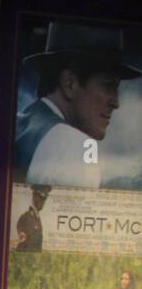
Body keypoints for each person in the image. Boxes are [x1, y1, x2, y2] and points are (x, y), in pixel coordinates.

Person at [14, 22, 139, 189]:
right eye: (108, 85)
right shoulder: (76, 146)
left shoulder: (15, 124)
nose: (115, 103)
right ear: (70, 83)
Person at [14, 185, 50, 252]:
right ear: (35, 198)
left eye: (44, 199)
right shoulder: (26, 217)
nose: (43, 202)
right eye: (41, 198)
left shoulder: (37, 218)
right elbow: (24, 245)